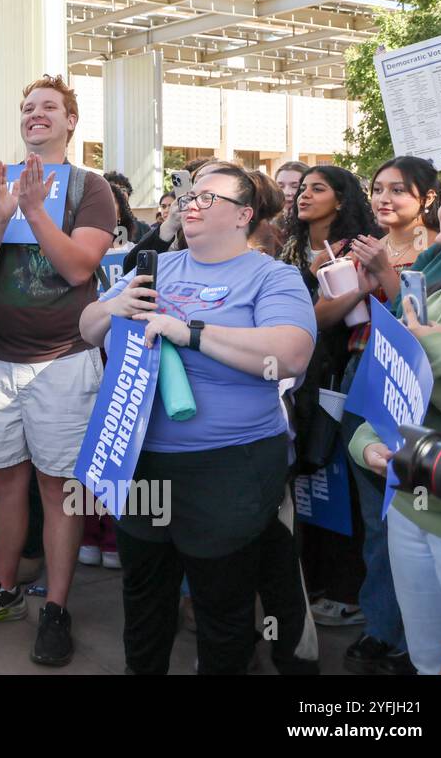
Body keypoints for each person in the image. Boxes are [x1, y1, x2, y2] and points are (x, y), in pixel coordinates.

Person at [82, 165, 316, 674]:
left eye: (209, 196)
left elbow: (291, 354)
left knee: (221, 605)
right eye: (189, 193)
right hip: (141, 459)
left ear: (244, 215)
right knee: (144, 597)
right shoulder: (155, 266)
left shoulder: (271, 275)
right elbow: (87, 328)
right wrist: (114, 306)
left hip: (229, 467)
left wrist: (189, 331)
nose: (191, 202)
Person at [0, 75, 116, 667]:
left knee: (57, 487)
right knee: (4, 480)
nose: (35, 114)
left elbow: (78, 269)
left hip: (64, 361)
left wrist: (36, 212)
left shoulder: (90, 189)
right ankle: (3, 590)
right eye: (27, 108)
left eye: (49, 107)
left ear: (71, 122)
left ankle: (57, 607)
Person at [350, 159, 441, 675]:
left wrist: (437, 354)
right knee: (427, 662)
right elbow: (379, 403)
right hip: (406, 510)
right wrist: (368, 447)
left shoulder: (427, 313)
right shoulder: (430, 299)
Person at [336, 157, 441, 674]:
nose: (384, 198)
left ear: (427, 198)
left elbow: (420, 330)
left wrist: (383, 273)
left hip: (414, 378)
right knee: (374, 509)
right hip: (362, 370)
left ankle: (415, 634)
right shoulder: (358, 248)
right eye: (377, 188)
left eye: (398, 190)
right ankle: (384, 624)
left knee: (410, 505)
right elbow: (331, 318)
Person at [281, 165, 380, 627]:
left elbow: (318, 320)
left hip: (337, 378)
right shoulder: (288, 246)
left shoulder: (350, 250)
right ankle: (315, 581)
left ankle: (348, 592)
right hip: (295, 382)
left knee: (336, 482)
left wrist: (341, 284)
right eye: (302, 187)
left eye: (317, 188)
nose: (304, 194)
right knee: (308, 487)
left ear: (341, 200)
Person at [274, 161, 311, 235]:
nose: (287, 192)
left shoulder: (316, 224)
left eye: (295, 186)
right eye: (281, 186)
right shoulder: (268, 223)